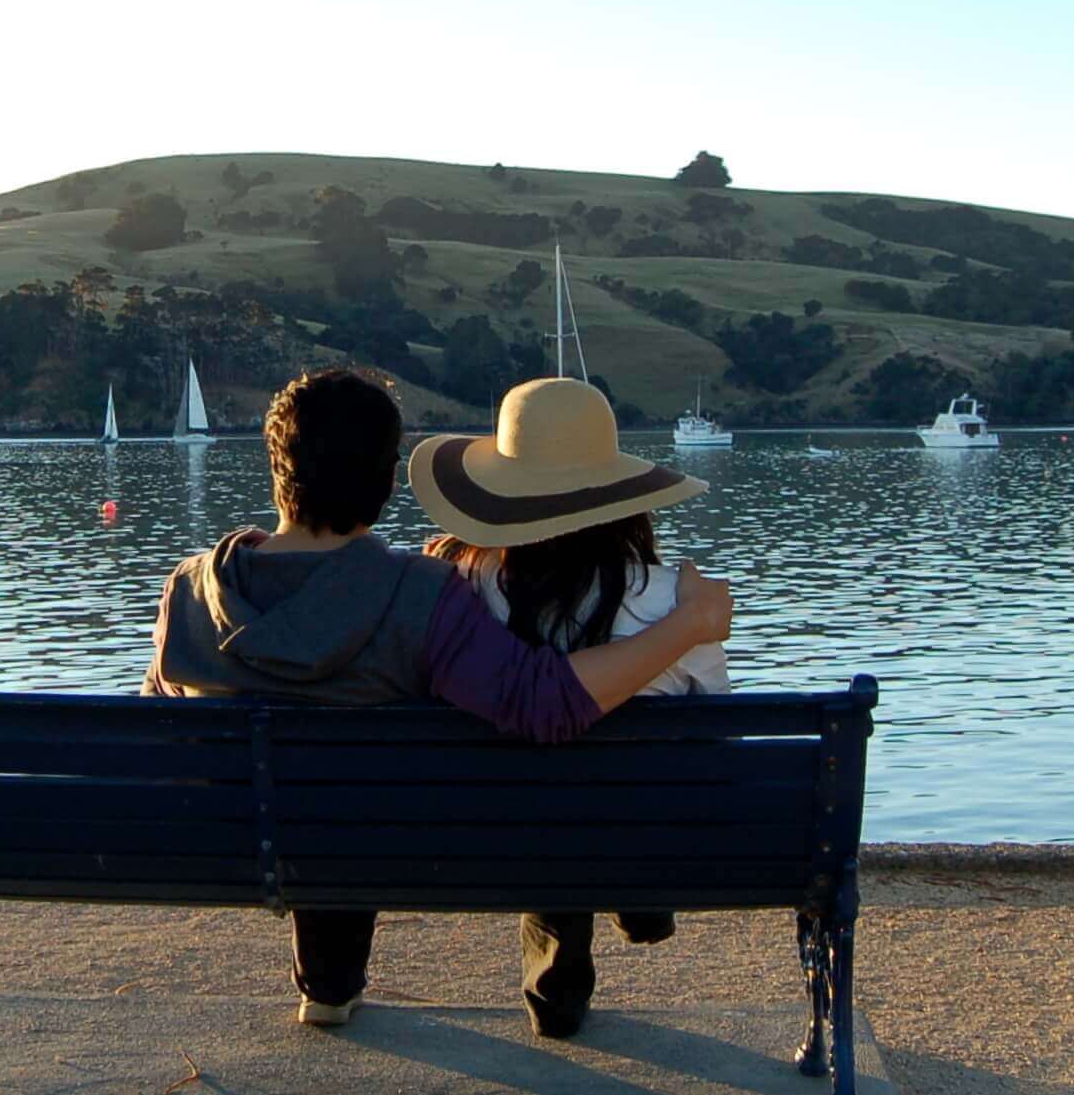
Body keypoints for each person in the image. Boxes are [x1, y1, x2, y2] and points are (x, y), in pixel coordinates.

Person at [146, 367, 732, 1034]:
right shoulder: (420, 596)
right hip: (387, 840)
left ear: (278, 466)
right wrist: (690, 624)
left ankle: (329, 985)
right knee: (346, 797)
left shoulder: (190, 589)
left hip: (233, 841)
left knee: (306, 790)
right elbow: (540, 702)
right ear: (387, 477)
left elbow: (156, 726)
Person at [409, 376, 724, 1035]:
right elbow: (713, 729)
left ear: (499, 494)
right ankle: (638, 891)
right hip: (641, 832)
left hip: (498, 835)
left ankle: (557, 987)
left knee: (539, 793)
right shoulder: (675, 602)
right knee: (628, 784)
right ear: (619, 494)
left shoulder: (452, 590)